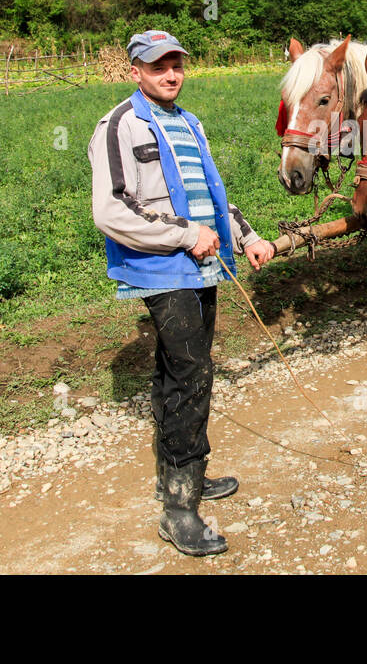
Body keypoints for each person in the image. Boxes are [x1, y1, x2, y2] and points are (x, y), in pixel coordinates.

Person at [88, 30, 275, 557]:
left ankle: (183, 478)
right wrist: (184, 235)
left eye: (177, 65)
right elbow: (111, 210)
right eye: (158, 67)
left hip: (203, 265)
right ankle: (179, 510)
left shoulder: (189, 124)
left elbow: (211, 195)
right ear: (136, 71)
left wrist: (247, 235)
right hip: (162, 269)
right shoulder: (118, 126)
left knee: (181, 371)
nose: (170, 75)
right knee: (191, 375)